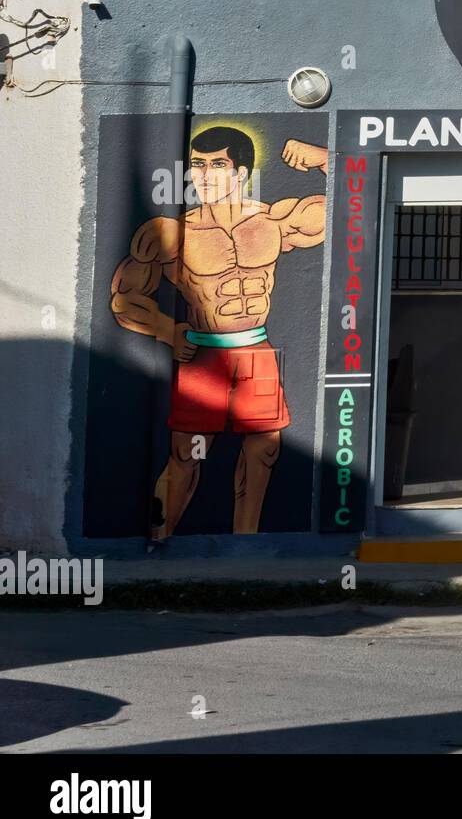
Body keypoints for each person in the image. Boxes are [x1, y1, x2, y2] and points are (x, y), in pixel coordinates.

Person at [111, 127, 328, 540]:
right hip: (203, 354)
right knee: (186, 453)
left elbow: (358, 200)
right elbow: (125, 297)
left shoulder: (274, 221)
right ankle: (159, 542)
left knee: (264, 450)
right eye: (197, 165)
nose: (205, 175)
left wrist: (321, 158)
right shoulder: (173, 232)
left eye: (217, 165)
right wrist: (167, 330)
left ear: (242, 171)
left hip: (255, 350)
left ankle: (244, 546)